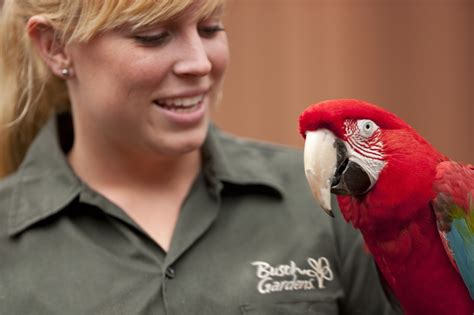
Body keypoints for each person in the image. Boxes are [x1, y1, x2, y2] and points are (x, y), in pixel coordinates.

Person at [0, 0, 402, 314]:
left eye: (210, 28)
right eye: (153, 35)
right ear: (56, 48)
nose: (200, 62)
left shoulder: (325, 205)